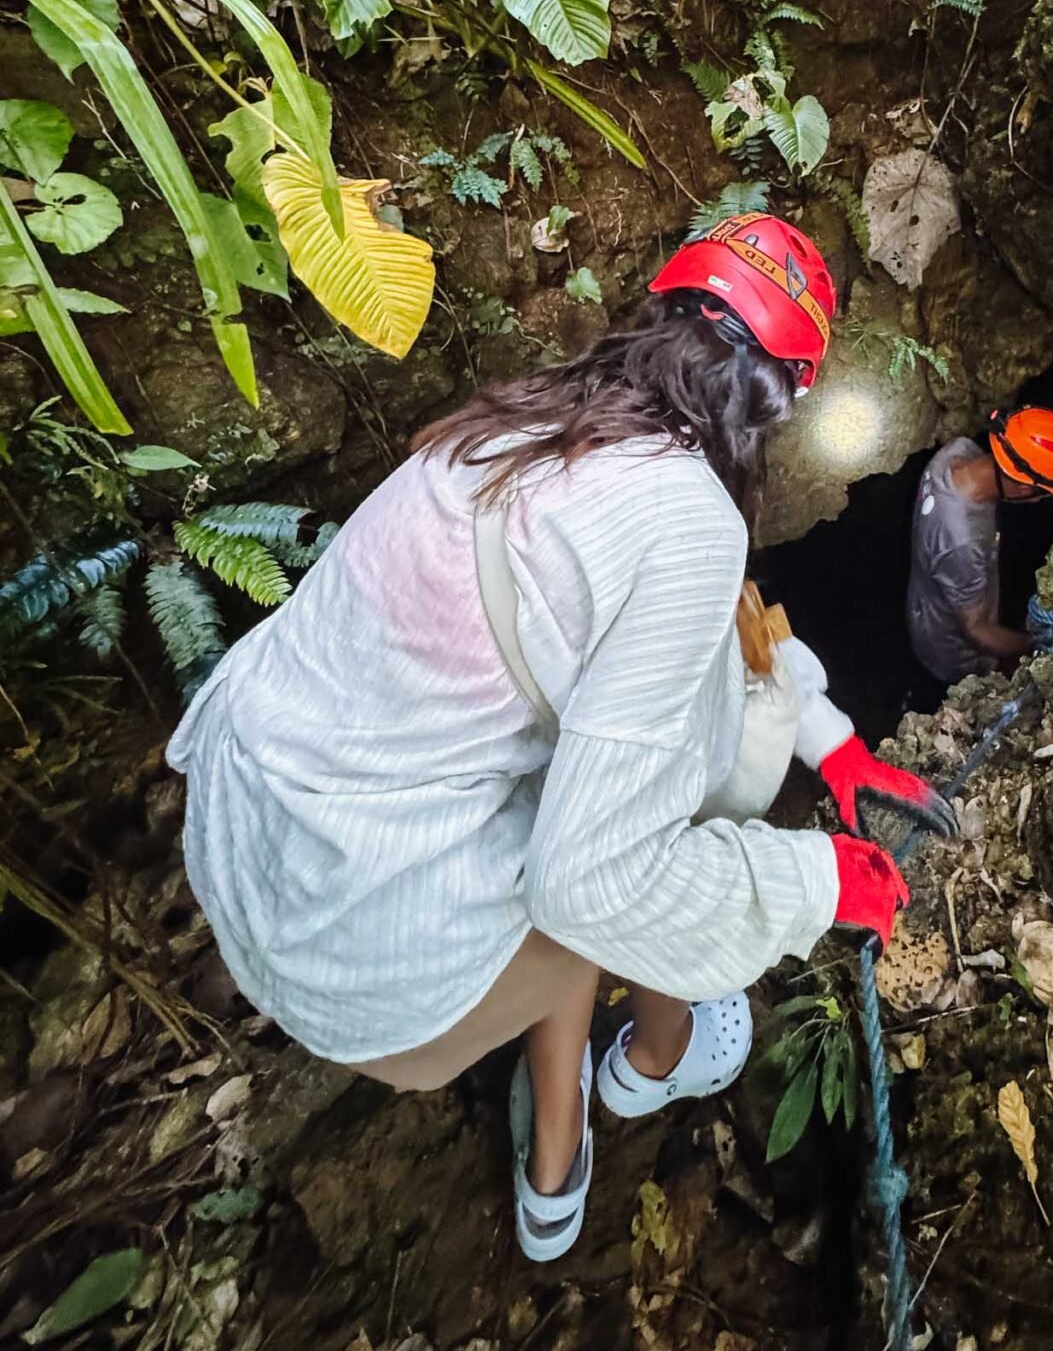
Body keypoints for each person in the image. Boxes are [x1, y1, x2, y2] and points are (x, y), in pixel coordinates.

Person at [168, 212, 952, 1264]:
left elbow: (723, 633)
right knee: (626, 853)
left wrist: (836, 745)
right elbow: (605, 872)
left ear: (657, 311)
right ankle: (647, 1063)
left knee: (578, 812)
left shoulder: (523, 420)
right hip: (356, 951)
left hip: (247, 831)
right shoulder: (688, 519)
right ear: (783, 397)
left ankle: (558, 1153)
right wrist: (818, 880)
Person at [906, 406, 1053, 685]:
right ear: (1024, 488)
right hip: (954, 648)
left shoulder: (958, 453)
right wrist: (1036, 644)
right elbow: (976, 630)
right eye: (1042, 494)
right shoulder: (962, 541)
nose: (1039, 501)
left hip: (930, 594)